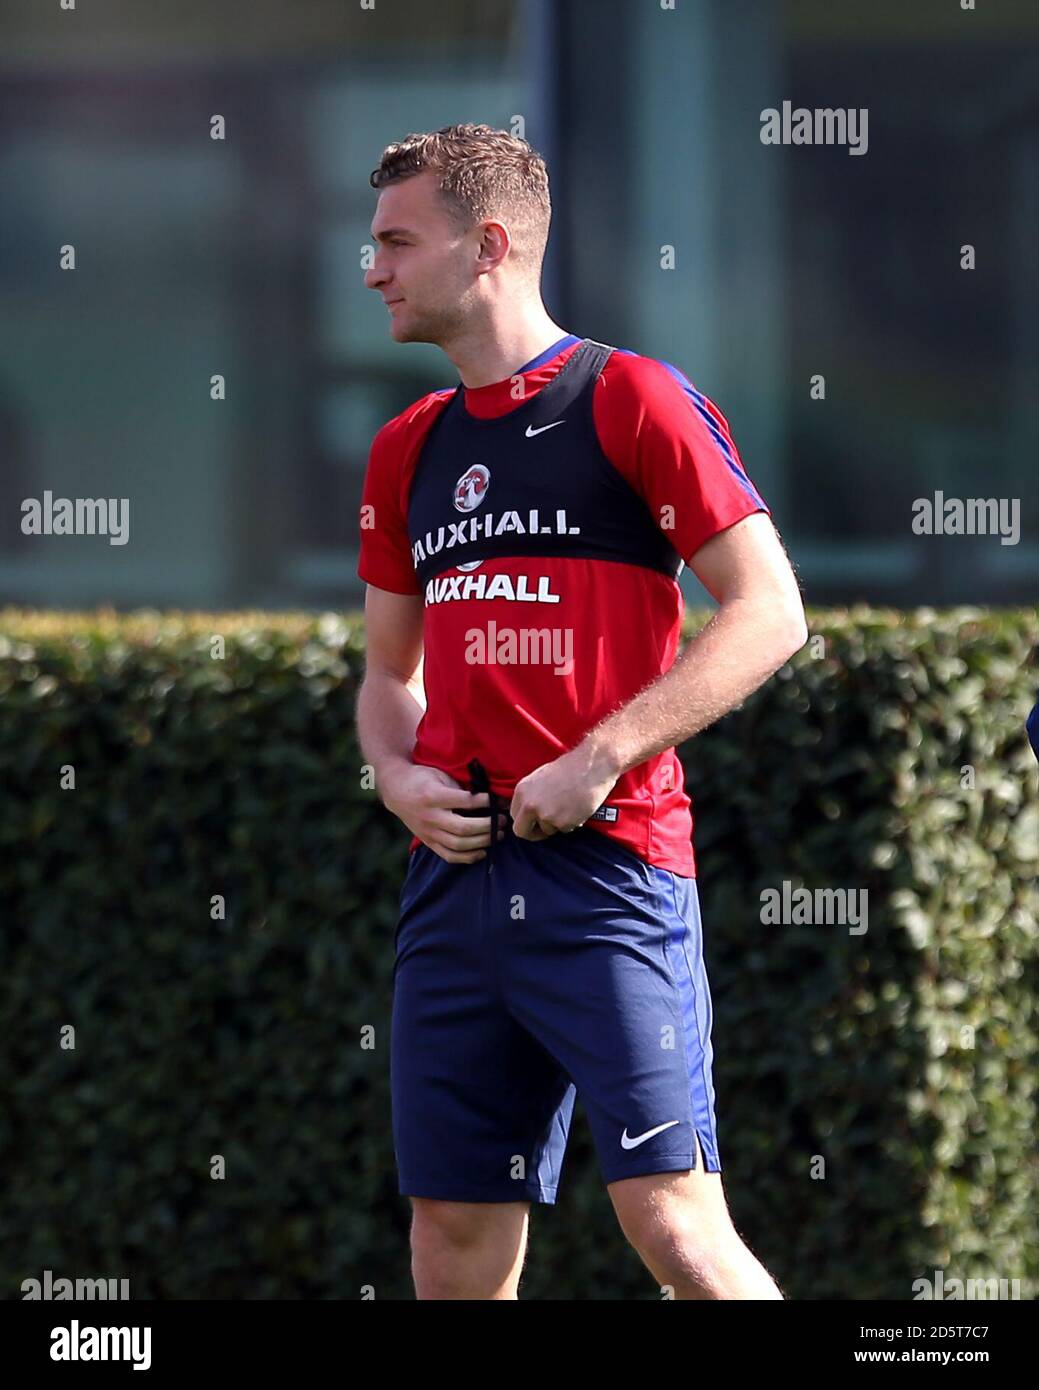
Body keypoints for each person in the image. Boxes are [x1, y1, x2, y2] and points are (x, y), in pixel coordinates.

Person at [355, 123, 806, 1300]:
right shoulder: (405, 450)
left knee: (675, 1228)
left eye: (397, 240)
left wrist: (599, 756)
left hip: (609, 876)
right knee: (449, 1236)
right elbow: (384, 682)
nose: (372, 269)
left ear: (488, 244)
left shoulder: (633, 400)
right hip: (449, 887)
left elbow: (770, 612)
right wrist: (396, 777)